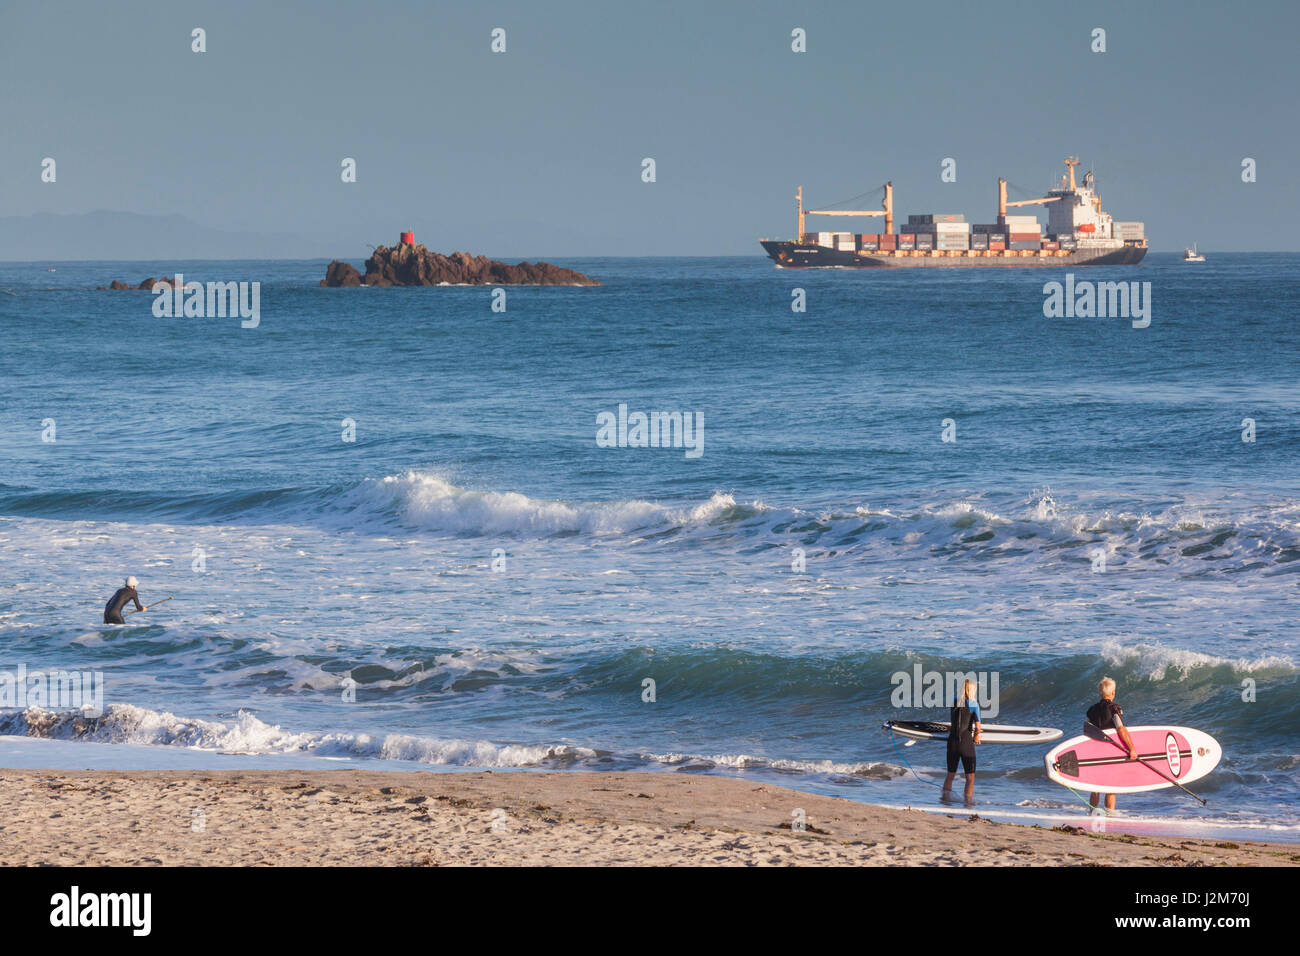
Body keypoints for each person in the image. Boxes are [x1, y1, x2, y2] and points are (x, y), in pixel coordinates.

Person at [1086, 676, 1138, 812]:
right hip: (1110, 750)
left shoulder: (1092, 710)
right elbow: (1120, 728)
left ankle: (1092, 812)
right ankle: (1110, 815)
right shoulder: (1114, 708)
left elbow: (1088, 730)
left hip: (1095, 749)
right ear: (1113, 693)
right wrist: (1131, 748)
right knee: (1111, 786)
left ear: (1100, 692)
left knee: (1095, 786)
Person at [942, 678, 983, 803]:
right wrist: (976, 736)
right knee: (970, 778)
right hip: (966, 743)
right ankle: (968, 804)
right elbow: (978, 727)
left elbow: (955, 722)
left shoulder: (954, 702)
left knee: (950, 775)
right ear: (972, 690)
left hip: (952, 742)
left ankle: (945, 801)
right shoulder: (974, 704)